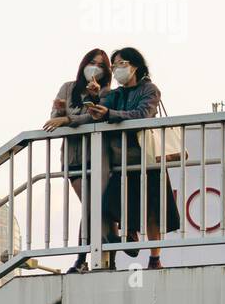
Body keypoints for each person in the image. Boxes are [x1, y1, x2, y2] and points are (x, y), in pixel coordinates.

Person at [87, 47, 181, 269]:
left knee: (152, 211)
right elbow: (104, 110)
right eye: (114, 65)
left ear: (135, 66)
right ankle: (129, 234)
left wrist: (110, 115)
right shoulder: (115, 94)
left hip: (147, 157)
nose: (117, 69)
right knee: (110, 203)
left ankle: (154, 258)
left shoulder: (150, 90)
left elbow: (142, 114)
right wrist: (95, 99)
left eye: (121, 64)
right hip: (121, 162)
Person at [44, 49, 111, 273]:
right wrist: (60, 114)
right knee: (91, 206)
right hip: (74, 157)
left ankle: (86, 257)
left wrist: (70, 117)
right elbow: (54, 118)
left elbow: (94, 116)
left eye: (101, 65)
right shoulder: (68, 88)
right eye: (92, 62)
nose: (95, 68)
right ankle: (104, 244)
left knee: (96, 206)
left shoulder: (107, 92)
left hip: (100, 156)